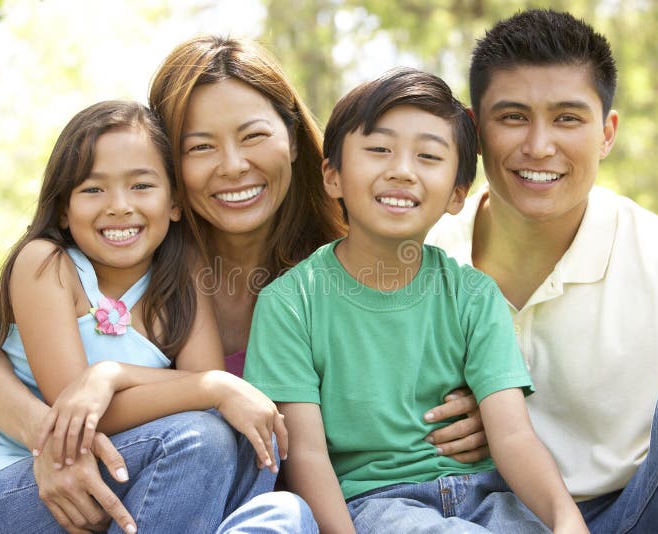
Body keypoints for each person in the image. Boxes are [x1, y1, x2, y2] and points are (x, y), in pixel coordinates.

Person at [0, 36, 485, 531]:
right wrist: (53, 441)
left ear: (294, 139)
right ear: (167, 161)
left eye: (253, 136)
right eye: (199, 147)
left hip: (294, 501)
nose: (233, 166)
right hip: (109, 480)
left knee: (278, 505)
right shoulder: (131, 260)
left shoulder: (349, 259)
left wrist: (486, 403)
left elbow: (454, 337)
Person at [426, 9, 658, 532]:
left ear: (606, 133)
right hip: (490, 516)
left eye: (567, 118)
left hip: (652, 507)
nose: (538, 145)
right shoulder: (420, 255)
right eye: (512, 117)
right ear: (474, 130)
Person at [244, 67, 588, 533]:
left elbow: (512, 435)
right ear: (333, 176)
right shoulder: (290, 302)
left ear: (457, 194)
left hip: (487, 496)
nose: (401, 171)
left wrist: (566, 519)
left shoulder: (474, 296)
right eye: (379, 150)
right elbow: (305, 454)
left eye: (428, 156)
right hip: (376, 505)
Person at [0, 100, 313, 534]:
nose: (119, 206)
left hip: (111, 474)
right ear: (63, 208)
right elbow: (78, 412)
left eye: (141, 186)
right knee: (203, 437)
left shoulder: (181, 278)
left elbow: (212, 392)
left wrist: (113, 374)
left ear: (175, 202)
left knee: (277, 492)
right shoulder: (46, 265)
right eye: (93, 189)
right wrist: (211, 386)